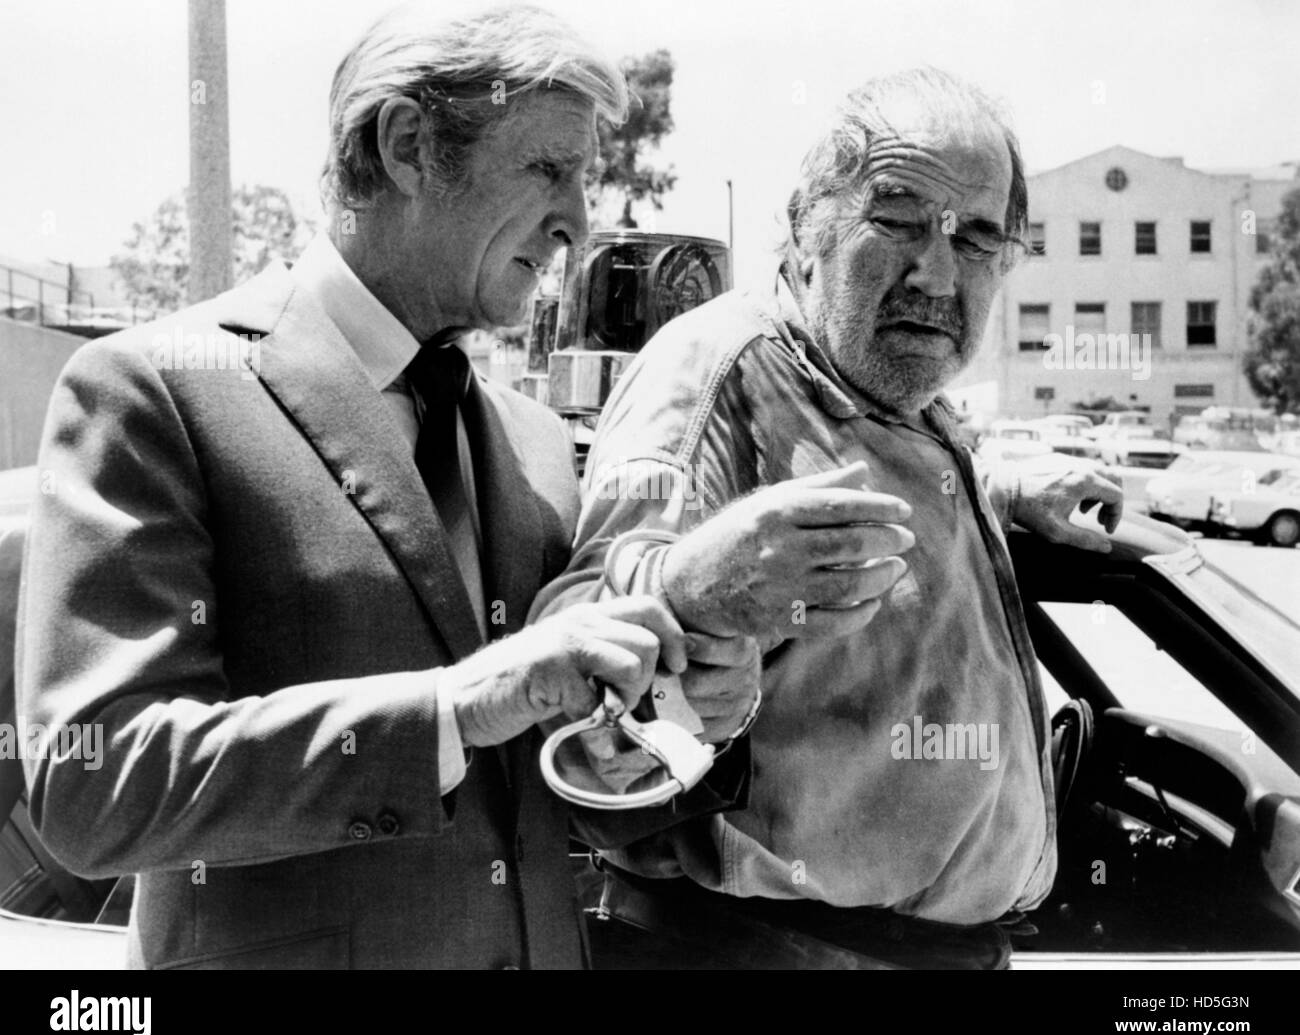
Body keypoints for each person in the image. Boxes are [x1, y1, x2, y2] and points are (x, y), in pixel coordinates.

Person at [15, 2, 755, 970]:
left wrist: (683, 719)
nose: (578, 218)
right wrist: (458, 705)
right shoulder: (158, 389)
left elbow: (559, 790)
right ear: (408, 144)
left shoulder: (533, 442)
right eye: (548, 167)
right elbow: (97, 786)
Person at [531, 67, 1125, 970]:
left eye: (976, 238)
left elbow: (858, 485)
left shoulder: (890, 389)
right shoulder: (717, 375)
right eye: (896, 221)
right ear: (811, 227)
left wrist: (995, 490)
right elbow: (586, 669)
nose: (935, 269)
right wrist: (691, 599)